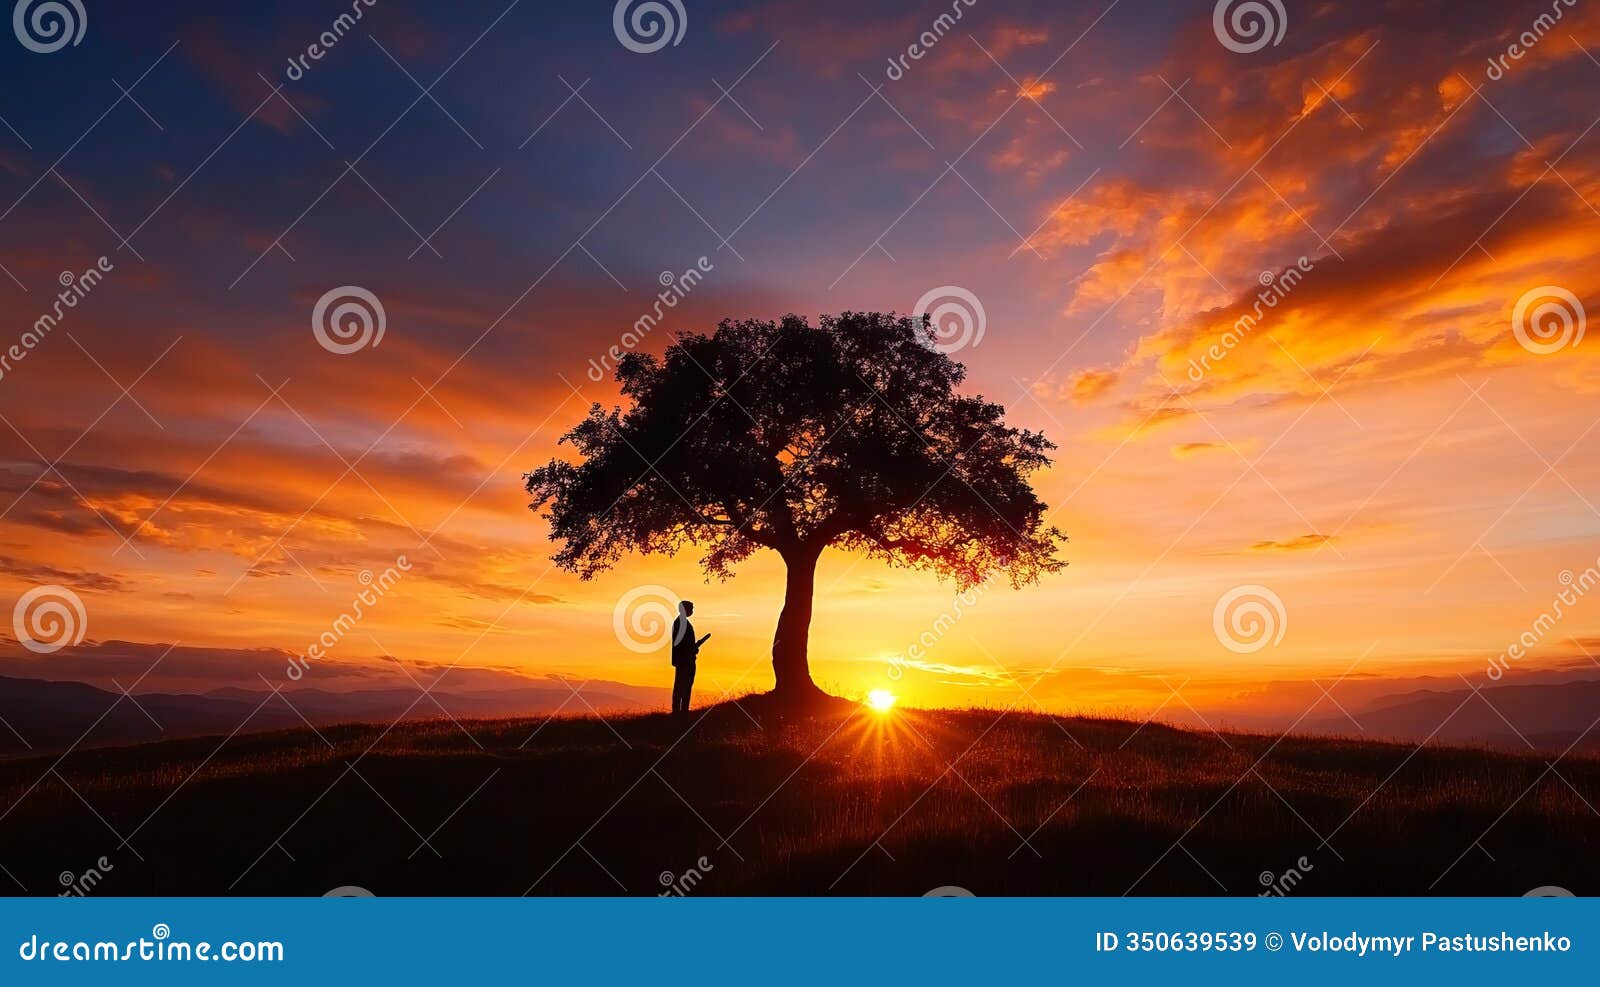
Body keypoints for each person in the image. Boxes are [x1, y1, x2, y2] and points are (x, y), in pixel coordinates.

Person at [670, 600, 709, 714]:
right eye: (691, 608)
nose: (692, 611)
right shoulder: (682, 623)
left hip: (684, 660)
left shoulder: (681, 623)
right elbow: (682, 645)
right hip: (685, 661)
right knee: (683, 686)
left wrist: (694, 647)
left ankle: (680, 711)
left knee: (682, 686)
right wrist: (694, 648)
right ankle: (681, 711)